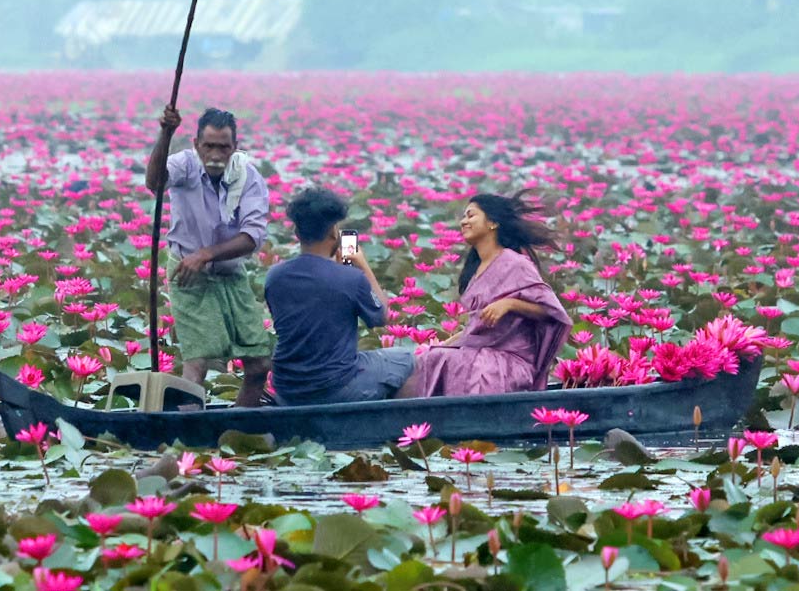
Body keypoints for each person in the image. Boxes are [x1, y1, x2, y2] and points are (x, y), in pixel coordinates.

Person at [145, 105, 272, 407]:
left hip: (231, 274)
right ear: (196, 145)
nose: (215, 154)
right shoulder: (184, 165)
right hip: (189, 274)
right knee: (197, 364)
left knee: (259, 366)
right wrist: (165, 134)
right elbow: (155, 182)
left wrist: (206, 254)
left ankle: (239, 428)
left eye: (223, 147)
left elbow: (252, 236)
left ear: (235, 147)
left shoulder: (249, 176)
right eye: (209, 146)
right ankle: (189, 433)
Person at [399, 193, 572, 397]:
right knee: (430, 358)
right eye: (463, 217)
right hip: (478, 352)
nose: (464, 222)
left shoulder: (516, 264)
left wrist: (510, 304)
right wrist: (441, 345)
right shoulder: (476, 269)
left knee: (472, 368)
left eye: (471, 215)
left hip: (509, 359)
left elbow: (551, 312)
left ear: (492, 223)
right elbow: (476, 328)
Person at [264, 187, 415, 405]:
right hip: (334, 386)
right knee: (409, 360)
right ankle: (388, 429)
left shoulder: (274, 276)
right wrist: (363, 266)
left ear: (297, 233)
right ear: (334, 231)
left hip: (287, 388)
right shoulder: (351, 278)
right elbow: (382, 317)